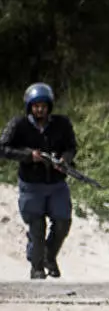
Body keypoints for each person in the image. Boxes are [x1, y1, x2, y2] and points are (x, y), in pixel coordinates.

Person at [0, 83, 79, 279]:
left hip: (57, 184)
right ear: (29, 106)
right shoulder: (18, 124)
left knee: (63, 222)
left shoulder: (62, 124)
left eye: (43, 106)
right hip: (31, 185)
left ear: (49, 106)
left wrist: (64, 160)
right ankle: (36, 268)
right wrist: (28, 155)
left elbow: (71, 147)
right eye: (36, 106)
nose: (40, 109)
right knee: (37, 227)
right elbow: (3, 148)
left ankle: (49, 256)